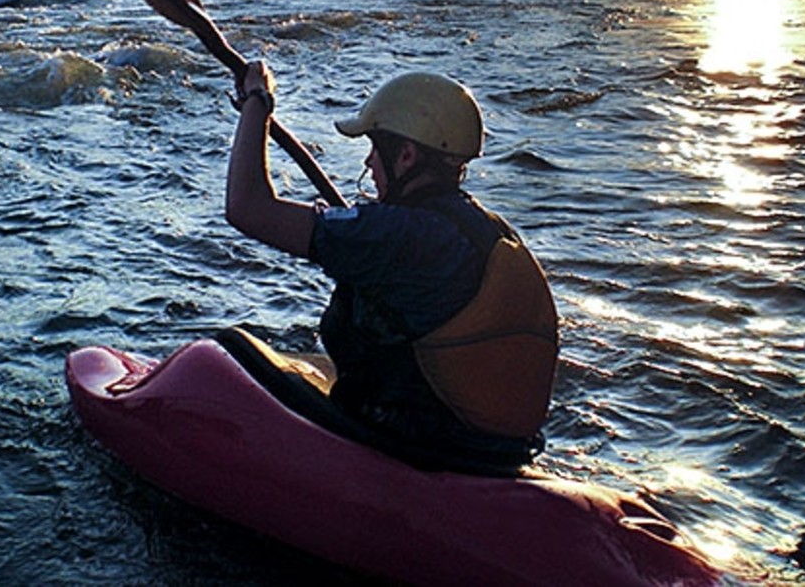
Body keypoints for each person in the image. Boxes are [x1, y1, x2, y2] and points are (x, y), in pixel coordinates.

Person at [226, 61, 559, 470]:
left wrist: (257, 102)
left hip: (418, 449)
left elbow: (247, 208)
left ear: (405, 156)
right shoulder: (484, 229)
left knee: (225, 354)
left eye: (374, 148)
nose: (368, 163)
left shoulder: (396, 234)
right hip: (490, 449)